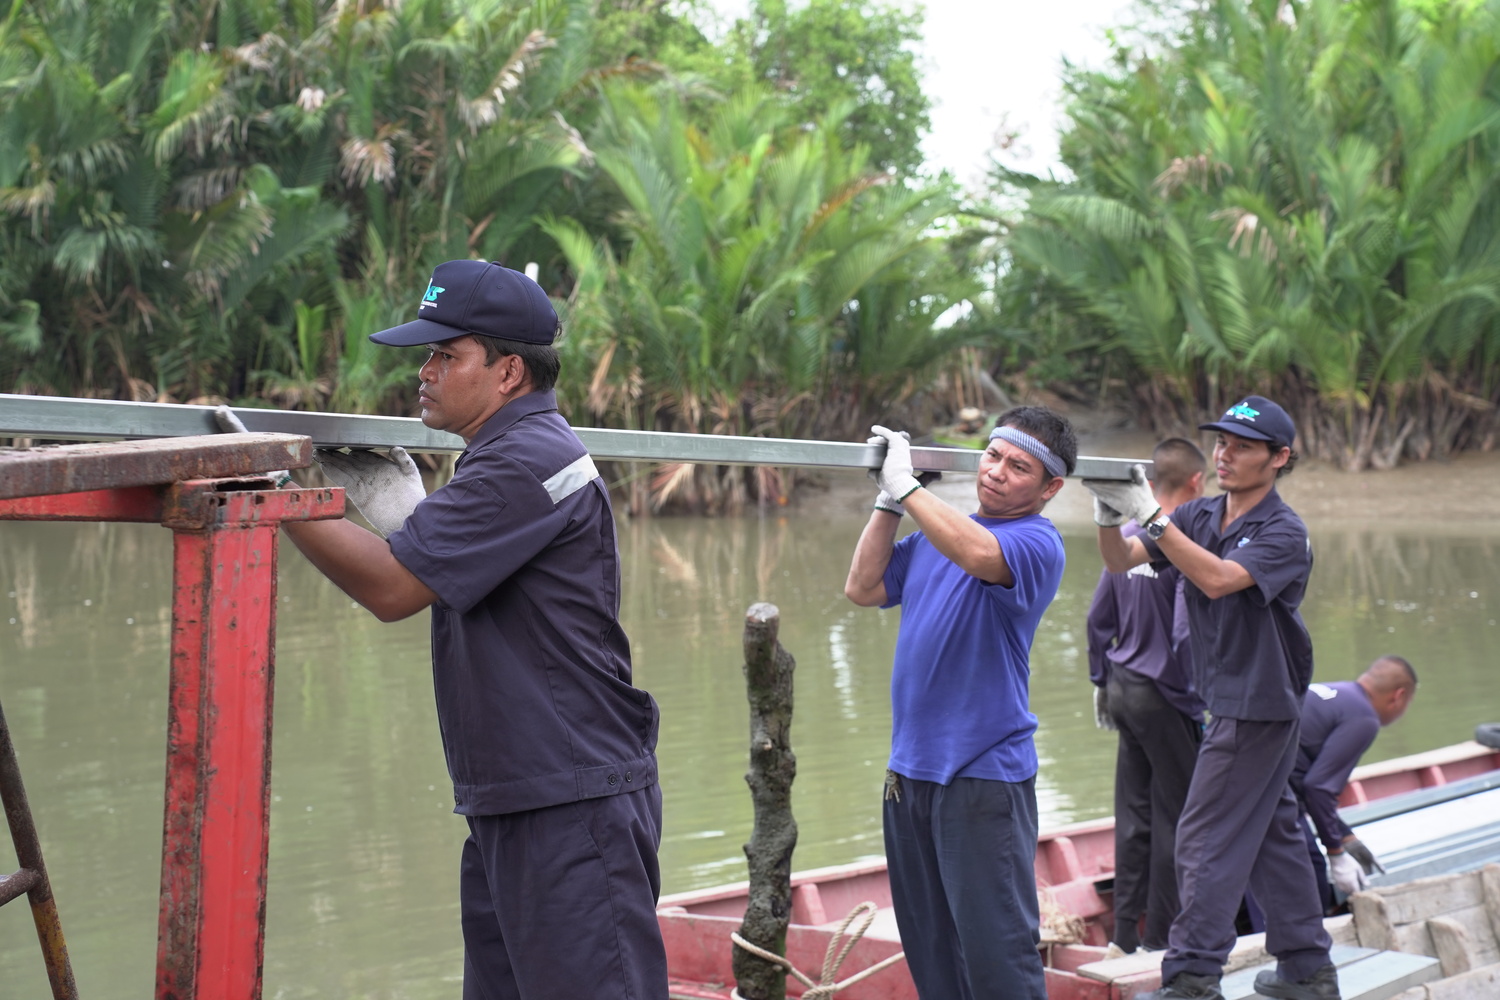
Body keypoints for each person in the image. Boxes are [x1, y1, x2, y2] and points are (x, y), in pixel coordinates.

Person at [222, 259, 667, 1000]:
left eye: (445, 355)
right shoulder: (509, 454)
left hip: (569, 806)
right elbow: (466, 576)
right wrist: (405, 515)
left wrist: (280, 493)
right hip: (522, 796)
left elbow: (394, 590)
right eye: (426, 356)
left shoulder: (525, 460)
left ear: (508, 372)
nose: (423, 372)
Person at [1085, 395, 1339, 1000]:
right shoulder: (1199, 515)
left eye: (1243, 447)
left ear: (1279, 459)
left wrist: (1152, 516)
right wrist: (1106, 512)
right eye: (1221, 443)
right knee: (1273, 833)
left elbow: (1218, 579)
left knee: (1201, 838)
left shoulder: (1284, 531)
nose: (1225, 454)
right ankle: (1308, 968)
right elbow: (1122, 560)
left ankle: (1193, 975)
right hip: (1231, 700)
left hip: (1257, 705)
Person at [844, 407, 1077, 1000]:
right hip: (908, 775)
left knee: (998, 960)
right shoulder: (930, 541)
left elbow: (978, 555)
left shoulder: (1036, 542)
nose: (997, 472)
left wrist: (910, 486)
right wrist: (889, 503)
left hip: (981, 776)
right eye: (993, 455)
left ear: (1050, 488)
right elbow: (863, 588)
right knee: (933, 955)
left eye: (1018, 466)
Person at [1087, 438, 1207, 954]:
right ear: (1198, 483)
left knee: (1135, 814)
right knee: (1177, 817)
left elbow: (1098, 621)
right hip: (1166, 694)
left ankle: (1121, 939)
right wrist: (1202, 693)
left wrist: (1099, 681)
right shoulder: (1183, 544)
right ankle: (1160, 937)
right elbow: (1185, 633)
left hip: (1123, 688)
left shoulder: (1125, 537)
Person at [1292, 657, 1417, 906]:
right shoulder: (1364, 718)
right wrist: (1336, 854)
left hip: (1253, 774)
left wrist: (1346, 836)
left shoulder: (1337, 693)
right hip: (1273, 790)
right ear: (1398, 696)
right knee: (1310, 871)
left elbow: (1305, 778)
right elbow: (1318, 788)